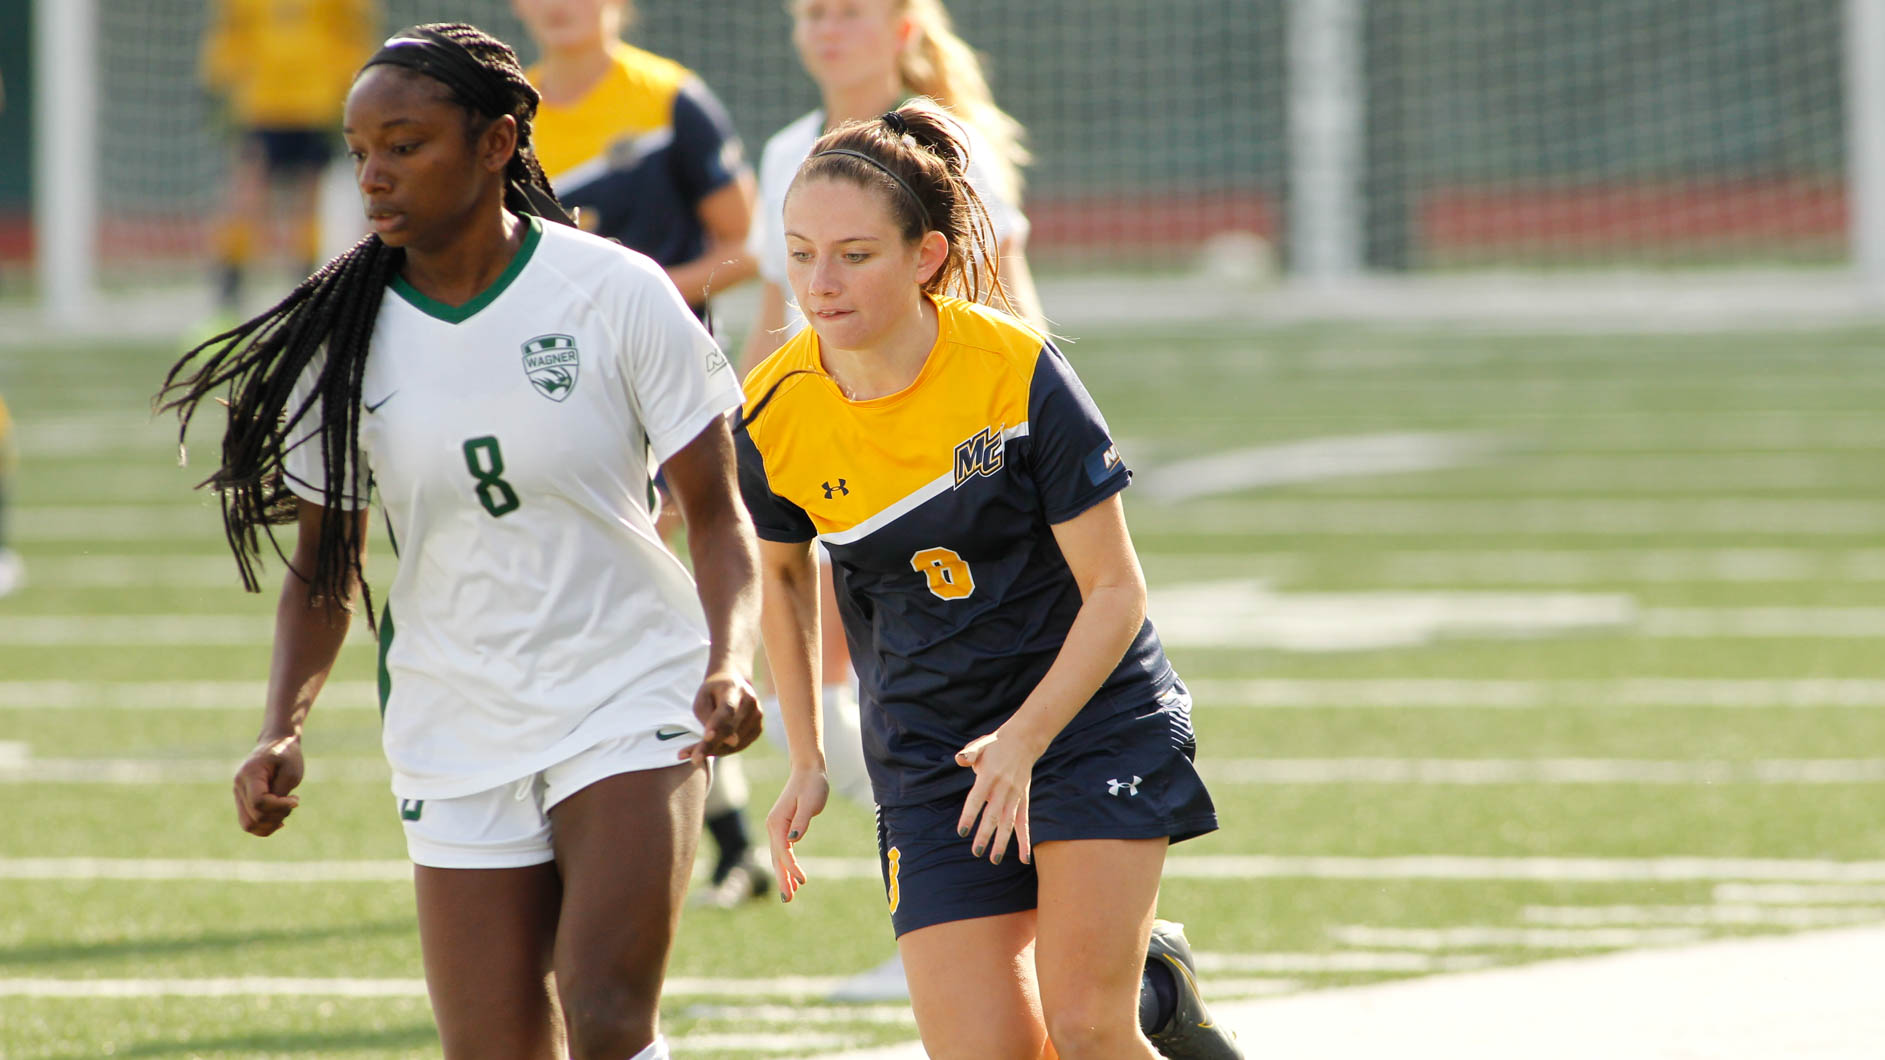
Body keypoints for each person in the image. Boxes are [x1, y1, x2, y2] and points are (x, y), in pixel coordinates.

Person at [158, 24, 762, 1060]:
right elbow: (324, 565)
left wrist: (727, 660)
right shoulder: (340, 344)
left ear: (497, 143)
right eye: (359, 153)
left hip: (626, 692)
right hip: (452, 716)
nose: (373, 176)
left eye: (405, 145)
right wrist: (280, 725)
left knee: (611, 1020)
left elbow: (717, 510)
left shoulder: (615, 291)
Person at [738, 101, 1241, 1059]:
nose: (819, 283)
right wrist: (804, 756)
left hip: (1088, 718)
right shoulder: (772, 409)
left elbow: (1116, 593)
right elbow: (783, 578)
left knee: (1084, 1029)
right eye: (799, 254)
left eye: (854, 255)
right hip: (931, 755)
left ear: (925, 256)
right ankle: (1155, 998)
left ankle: (1129, 1005)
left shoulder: (1014, 370)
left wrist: (1023, 741)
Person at [512, 0, 770, 907]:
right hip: (550, 405)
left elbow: (743, 244)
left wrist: (631, 293)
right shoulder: (510, 112)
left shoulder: (670, 102)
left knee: (669, 609)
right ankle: (718, 836)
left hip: (663, 399)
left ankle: (724, 830)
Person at [199, 0, 379, 316]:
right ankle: (232, 277)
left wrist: (353, 82)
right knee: (248, 189)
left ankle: (303, 278)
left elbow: (352, 31)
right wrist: (220, 76)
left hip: (316, 99)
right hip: (260, 99)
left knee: (308, 195)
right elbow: (231, 31)